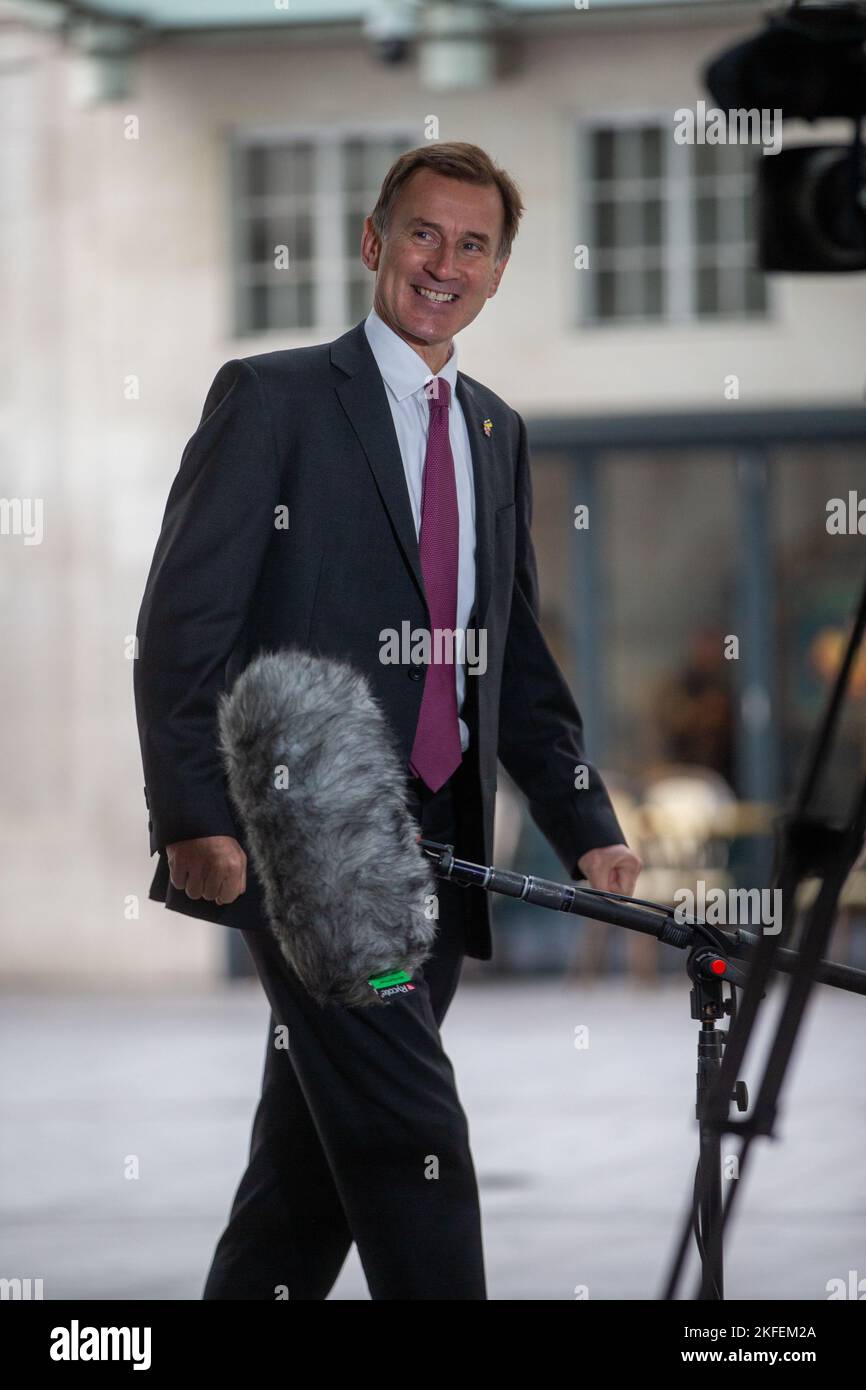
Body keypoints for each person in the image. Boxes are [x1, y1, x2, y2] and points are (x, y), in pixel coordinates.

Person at [133, 141, 642, 1301]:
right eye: (422, 233)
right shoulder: (271, 400)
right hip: (309, 835)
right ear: (373, 243)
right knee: (414, 1134)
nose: (442, 263)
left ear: (502, 269)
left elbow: (507, 656)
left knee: (308, 1172)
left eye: (472, 244)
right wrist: (192, 813)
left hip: (439, 839)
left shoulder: (495, 432)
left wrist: (583, 821)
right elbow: (181, 623)